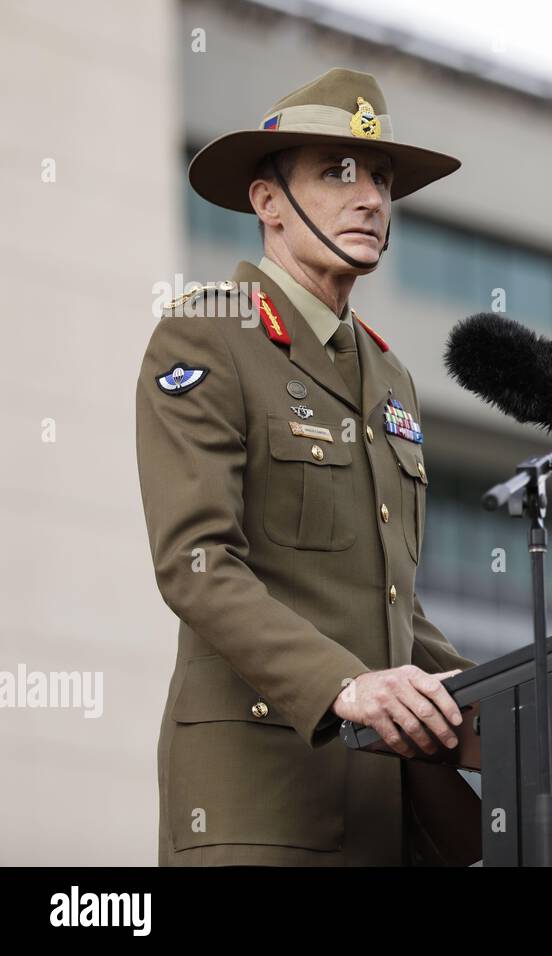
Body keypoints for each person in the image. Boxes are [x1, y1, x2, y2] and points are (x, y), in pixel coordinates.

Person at [136, 67, 480, 865]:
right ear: (267, 202)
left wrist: (518, 696)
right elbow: (198, 565)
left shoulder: (390, 376)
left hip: (385, 812)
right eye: (337, 172)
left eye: (383, 180)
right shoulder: (207, 337)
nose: (370, 199)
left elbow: (394, 608)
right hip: (259, 798)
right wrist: (343, 685)